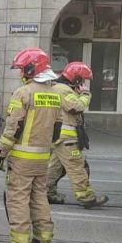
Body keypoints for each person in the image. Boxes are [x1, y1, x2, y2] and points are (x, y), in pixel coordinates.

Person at [0, 47, 61, 243]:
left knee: (18, 199)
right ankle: (42, 242)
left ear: (32, 69)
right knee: (39, 197)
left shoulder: (24, 93)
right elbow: (57, 129)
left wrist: (0, 152)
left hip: (22, 158)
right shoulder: (54, 93)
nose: (21, 73)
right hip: (43, 157)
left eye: (23, 69)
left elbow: (13, 126)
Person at [46, 62, 109, 208]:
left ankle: (46, 193)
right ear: (76, 79)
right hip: (67, 138)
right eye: (83, 80)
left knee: (54, 168)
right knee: (77, 166)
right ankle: (86, 197)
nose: (84, 83)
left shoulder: (58, 88)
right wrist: (85, 94)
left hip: (59, 137)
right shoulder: (63, 90)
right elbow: (76, 107)